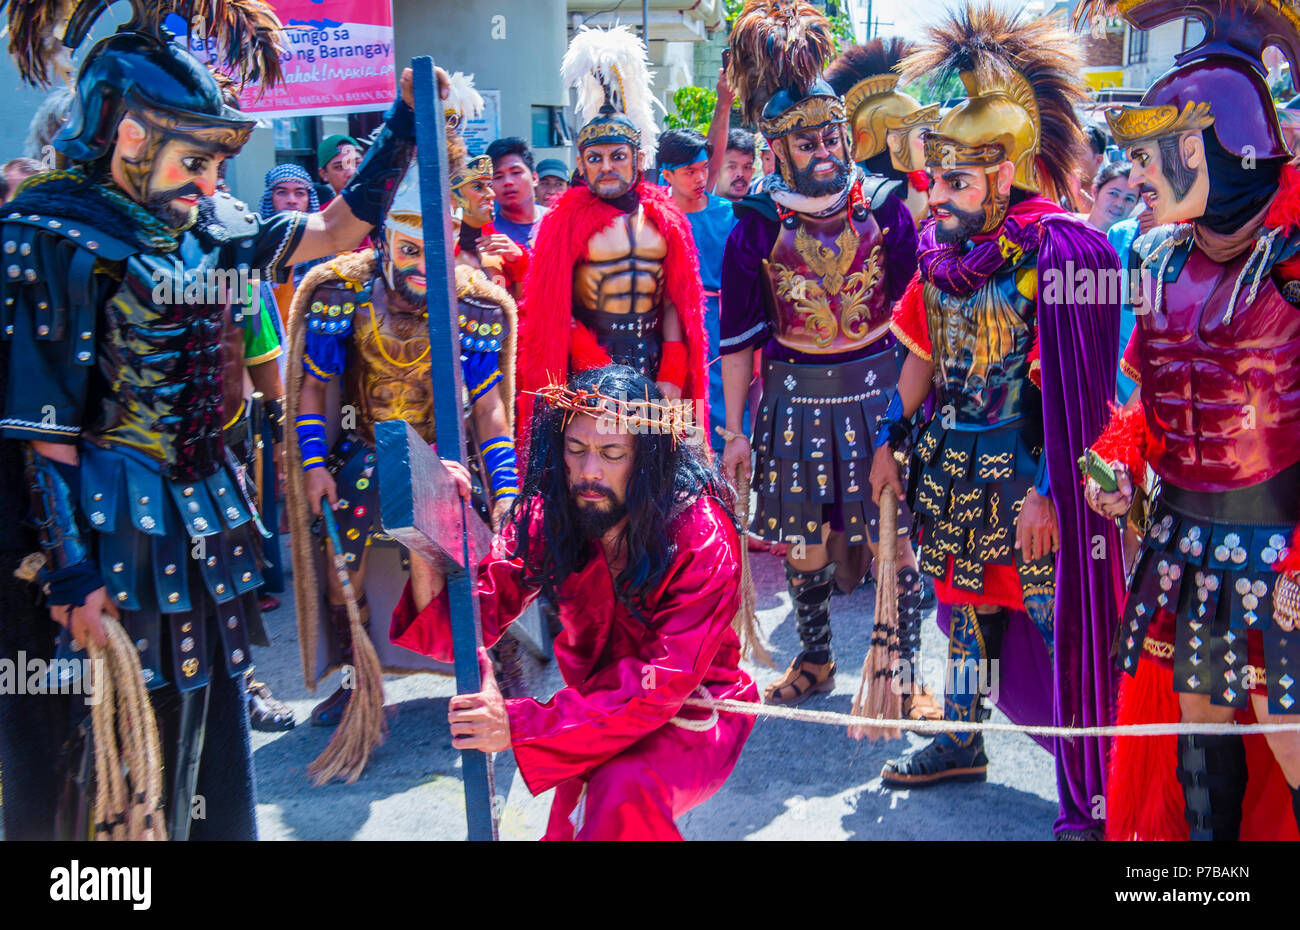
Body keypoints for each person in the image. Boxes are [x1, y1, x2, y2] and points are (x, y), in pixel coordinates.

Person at [0, 0, 429, 839]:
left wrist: (404, 124)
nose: (208, 184)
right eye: (194, 160)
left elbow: (336, 227)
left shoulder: (207, 229)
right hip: (107, 541)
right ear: (129, 136)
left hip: (202, 524)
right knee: (101, 770)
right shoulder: (47, 237)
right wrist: (72, 576)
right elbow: (41, 432)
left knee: (197, 738)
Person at [867, 3, 1123, 841]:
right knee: (969, 610)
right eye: (936, 178)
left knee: (1062, 624)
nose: (938, 195)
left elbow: (1072, 403)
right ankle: (962, 735)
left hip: (1030, 481)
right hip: (953, 468)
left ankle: (1102, 770)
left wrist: (1052, 493)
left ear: (1005, 176)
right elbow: (919, 359)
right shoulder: (940, 262)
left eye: (958, 181)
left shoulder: (1057, 255)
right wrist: (886, 435)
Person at [1080, 0, 1300, 841]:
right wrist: (1119, 454)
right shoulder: (1162, 260)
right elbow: (1151, 396)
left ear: (1217, 145)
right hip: (1185, 544)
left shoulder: (1293, 263)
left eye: (1150, 157)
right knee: (1199, 734)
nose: (1135, 178)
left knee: (1287, 729)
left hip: (1282, 553)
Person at [391, 365, 758, 840]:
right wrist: (430, 529)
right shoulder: (553, 513)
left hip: (691, 709)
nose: (589, 471)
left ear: (646, 459)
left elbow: (660, 686)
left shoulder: (701, 534)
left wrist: (520, 724)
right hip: (590, 714)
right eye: (576, 449)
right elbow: (457, 630)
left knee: (622, 790)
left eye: (611, 453)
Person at [286, 109, 525, 750]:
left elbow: (489, 408)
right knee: (346, 563)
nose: (423, 268)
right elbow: (313, 387)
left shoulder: (475, 304)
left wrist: (504, 489)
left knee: (462, 554)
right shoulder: (342, 293)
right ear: (385, 243)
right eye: (410, 251)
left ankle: (481, 664)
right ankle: (360, 676)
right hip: (366, 453)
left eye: (436, 253)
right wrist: (312, 466)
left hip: (443, 457)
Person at [719, 0, 932, 715]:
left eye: (829, 136)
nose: (822, 151)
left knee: (893, 541)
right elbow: (741, 338)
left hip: (879, 397)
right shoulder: (752, 228)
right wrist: (735, 429)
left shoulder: (887, 208)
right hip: (793, 401)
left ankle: (901, 672)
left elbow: (916, 328)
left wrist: (907, 417)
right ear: (776, 150)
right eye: (804, 142)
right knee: (804, 545)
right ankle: (815, 660)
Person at [518, 25, 709, 437]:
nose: (607, 166)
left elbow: (677, 297)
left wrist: (674, 368)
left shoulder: (666, 218)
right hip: (587, 375)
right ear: (582, 165)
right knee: (596, 476)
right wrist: (591, 364)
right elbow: (553, 308)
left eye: (617, 156)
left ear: (637, 159)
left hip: (657, 367)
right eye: (596, 158)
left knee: (663, 478)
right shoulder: (562, 221)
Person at [658, 129, 741, 457]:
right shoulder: (655, 215)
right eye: (689, 172)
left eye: (704, 168)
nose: (700, 177)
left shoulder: (729, 214)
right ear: (667, 174)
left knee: (723, 418)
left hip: (722, 327)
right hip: (671, 325)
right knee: (674, 422)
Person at [825, 37, 940, 230]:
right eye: (923, 134)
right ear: (894, 141)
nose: (930, 143)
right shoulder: (847, 196)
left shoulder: (923, 182)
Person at [487, 136, 547, 248]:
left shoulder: (560, 221)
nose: (508, 182)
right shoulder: (487, 234)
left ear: (534, 178)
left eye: (516, 172)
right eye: (498, 176)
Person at [1084, 161, 1138, 233]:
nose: (1119, 204)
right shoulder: (1068, 229)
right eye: (1113, 193)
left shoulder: (1136, 242)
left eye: (1129, 199)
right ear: (1095, 191)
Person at [715, 128, 757, 202]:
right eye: (732, 167)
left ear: (752, 171)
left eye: (747, 167)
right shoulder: (697, 210)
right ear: (716, 170)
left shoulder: (757, 210)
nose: (740, 174)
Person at [317, 133, 363, 200]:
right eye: (340, 167)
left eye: (357, 163)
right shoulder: (326, 210)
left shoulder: (383, 203)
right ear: (324, 174)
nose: (351, 173)